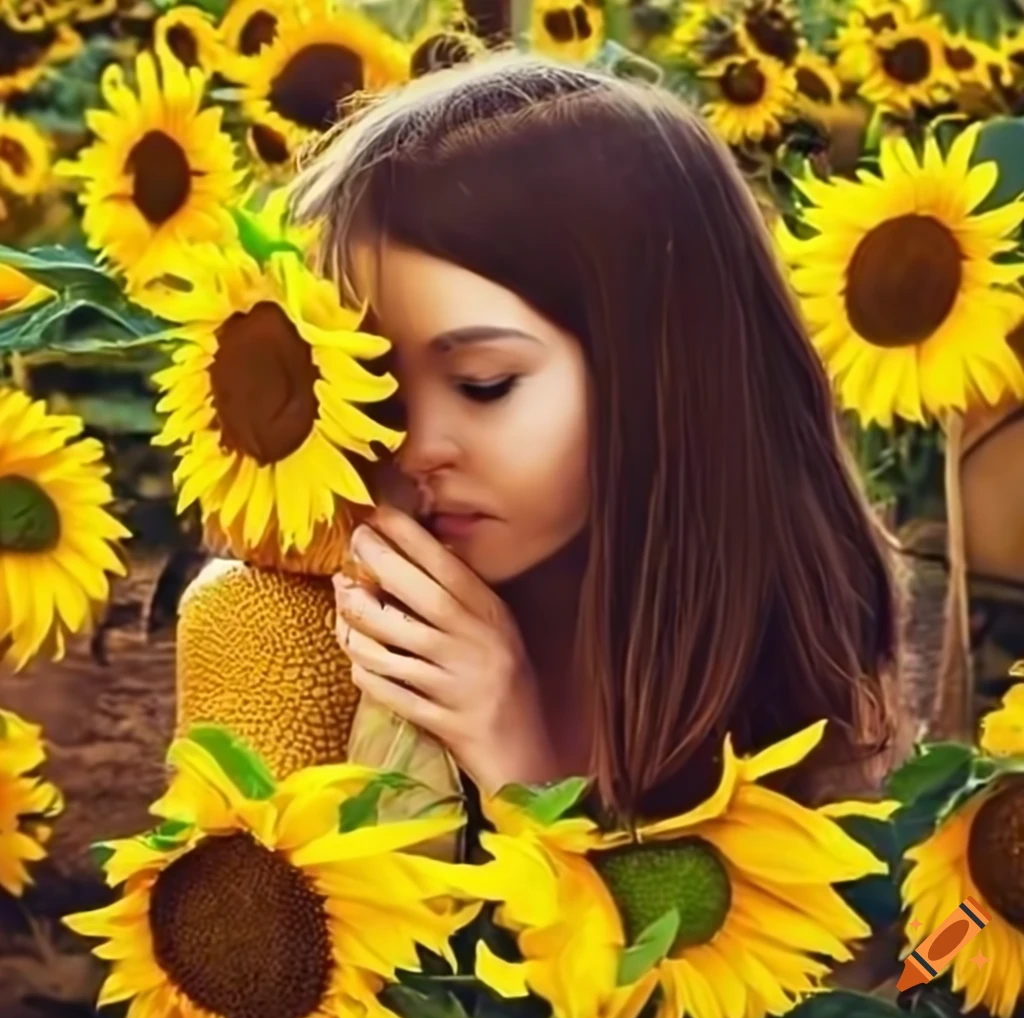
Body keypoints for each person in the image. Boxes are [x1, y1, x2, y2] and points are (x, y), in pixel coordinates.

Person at [287, 52, 907, 829]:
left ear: (665, 372)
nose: (413, 445)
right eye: (372, 379)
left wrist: (519, 769)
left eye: (483, 383)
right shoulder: (320, 641)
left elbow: (750, 947)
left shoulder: (790, 664)